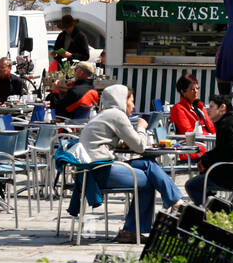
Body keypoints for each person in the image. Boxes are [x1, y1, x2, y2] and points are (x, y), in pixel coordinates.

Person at [67, 86, 182, 243]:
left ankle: (136, 228)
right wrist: (141, 127)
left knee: (148, 165)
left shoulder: (103, 115)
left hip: (88, 172)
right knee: (150, 177)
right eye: (131, 101)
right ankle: (173, 204)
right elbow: (140, 146)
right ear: (121, 100)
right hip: (100, 172)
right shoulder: (116, 115)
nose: (133, 106)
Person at [187, 93, 233, 204]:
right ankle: (214, 206)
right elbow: (224, 150)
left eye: (211, 106)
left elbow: (230, 152)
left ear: (222, 108)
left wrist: (205, 160)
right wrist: (205, 160)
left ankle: (212, 213)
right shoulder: (232, 122)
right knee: (203, 177)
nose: (208, 110)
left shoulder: (226, 126)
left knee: (192, 185)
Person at [169, 74, 215, 166]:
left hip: (207, 145)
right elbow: (188, 132)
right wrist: (210, 136)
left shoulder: (199, 107)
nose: (196, 91)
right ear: (183, 92)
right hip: (194, 148)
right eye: (192, 89)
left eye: (197, 88)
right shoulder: (178, 109)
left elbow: (211, 128)